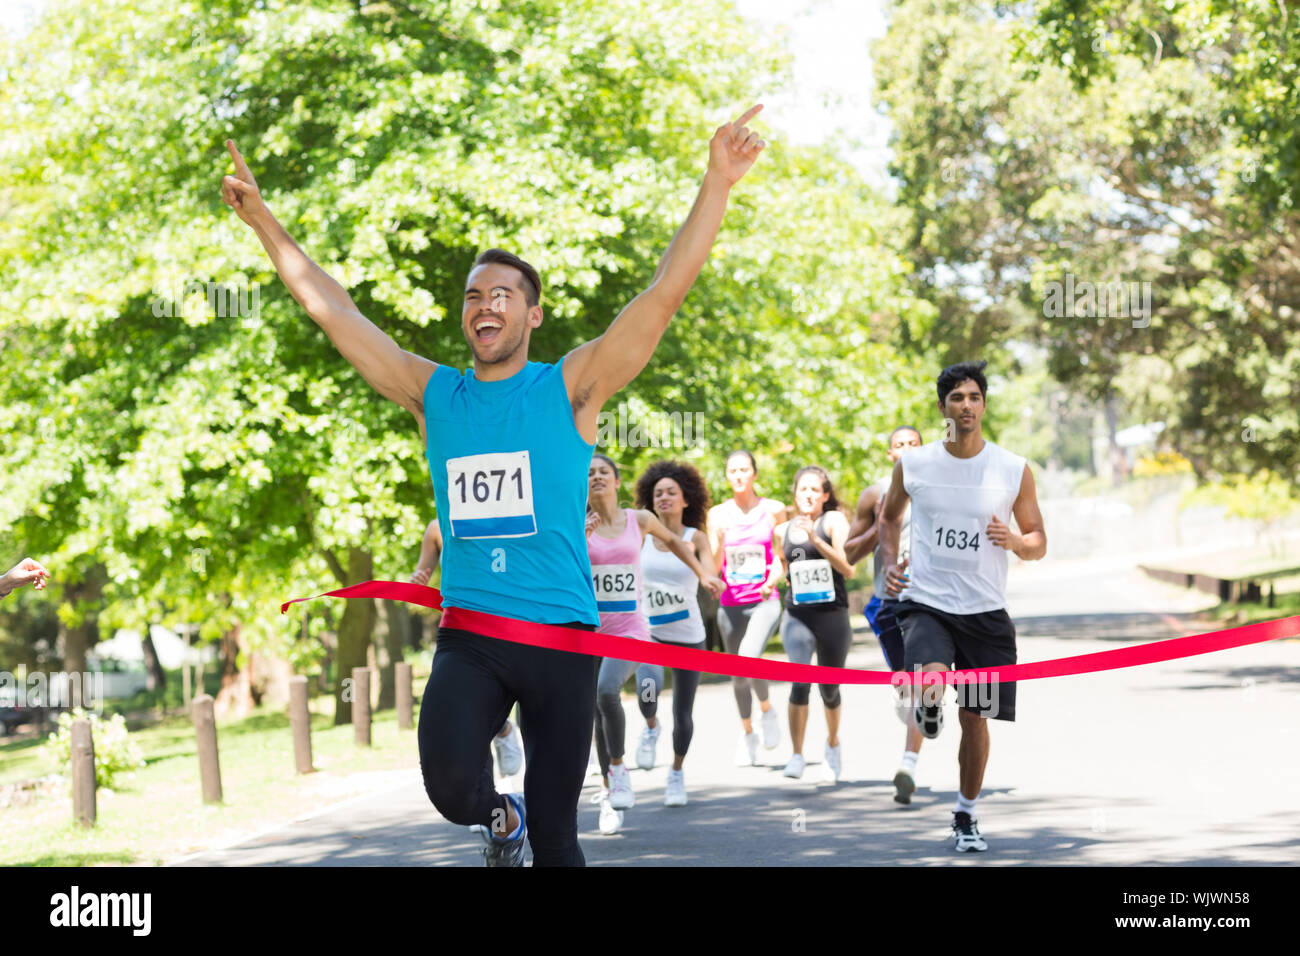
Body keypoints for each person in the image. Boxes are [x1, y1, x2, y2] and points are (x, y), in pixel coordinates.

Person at [220, 106, 766, 866]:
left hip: (562, 636)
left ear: (532, 313)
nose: (487, 304)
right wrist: (264, 224)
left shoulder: (571, 387)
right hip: (473, 633)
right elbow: (333, 308)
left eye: (504, 294)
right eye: (476, 295)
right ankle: (495, 820)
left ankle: (530, 831)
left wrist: (717, 183)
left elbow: (661, 298)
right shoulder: (433, 393)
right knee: (449, 784)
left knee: (560, 838)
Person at [879, 361, 1046, 852]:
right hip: (926, 601)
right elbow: (888, 519)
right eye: (957, 398)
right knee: (930, 672)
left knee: (976, 719)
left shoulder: (1013, 469)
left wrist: (1016, 540)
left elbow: (1039, 542)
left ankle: (966, 814)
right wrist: (891, 562)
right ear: (942, 407)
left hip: (986, 614)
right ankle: (928, 705)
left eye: (974, 397)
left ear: (984, 405)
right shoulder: (915, 464)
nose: (966, 406)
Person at [587, 454, 722, 832]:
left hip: (635, 629)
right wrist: (581, 537)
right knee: (598, 711)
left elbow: (679, 544)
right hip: (592, 630)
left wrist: (702, 574)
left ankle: (630, 768)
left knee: (608, 692)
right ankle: (610, 792)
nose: (596, 477)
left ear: (616, 482)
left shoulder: (640, 521)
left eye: (604, 472)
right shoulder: (576, 524)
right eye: (590, 473)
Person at [846, 425, 926, 804]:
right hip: (888, 601)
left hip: (930, 603)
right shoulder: (874, 495)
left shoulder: (941, 486)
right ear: (890, 454)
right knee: (907, 684)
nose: (907, 449)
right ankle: (912, 700)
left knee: (924, 681)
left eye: (914, 443)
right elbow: (848, 555)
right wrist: (880, 527)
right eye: (900, 445)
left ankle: (907, 764)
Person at [633, 459, 720, 807]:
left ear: (686, 500)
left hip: (688, 635)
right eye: (658, 494)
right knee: (646, 692)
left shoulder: (694, 537)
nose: (664, 498)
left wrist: (709, 577)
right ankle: (651, 727)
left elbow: (709, 568)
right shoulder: (639, 534)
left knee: (683, 714)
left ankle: (676, 773)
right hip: (649, 632)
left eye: (672, 492)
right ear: (650, 501)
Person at [410, 519, 524, 778]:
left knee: (486, 706)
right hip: (461, 632)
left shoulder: (500, 517)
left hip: (507, 624)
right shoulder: (437, 529)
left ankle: (502, 729)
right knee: (465, 711)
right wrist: (417, 581)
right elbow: (421, 575)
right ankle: (484, 797)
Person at [767, 467, 855, 781]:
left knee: (829, 689)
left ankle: (832, 744)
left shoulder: (834, 522)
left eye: (815, 490)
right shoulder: (783, 530)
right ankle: (797, 754)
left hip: (832, 615)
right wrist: (770, 582)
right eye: (803, 489)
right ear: (795, 494)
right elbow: (783, 564)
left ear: (825, 496)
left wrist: (815, 538)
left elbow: (848, 569)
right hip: (797, 615)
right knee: (799, 681)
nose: (808, 495)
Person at [708, 450, 787, 765]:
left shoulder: (774, 511)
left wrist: (772, 579)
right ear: (727, 476)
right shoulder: (717, 514)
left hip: (764, 599)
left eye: (744, 469)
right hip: (731, 604)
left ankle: (767, 710)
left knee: (749, 658)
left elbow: (783, 559)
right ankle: (747, 732)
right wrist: (717, 540)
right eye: (732, 470)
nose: (739, 475)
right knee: (738, 674)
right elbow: (714, 566)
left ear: (754, 473)